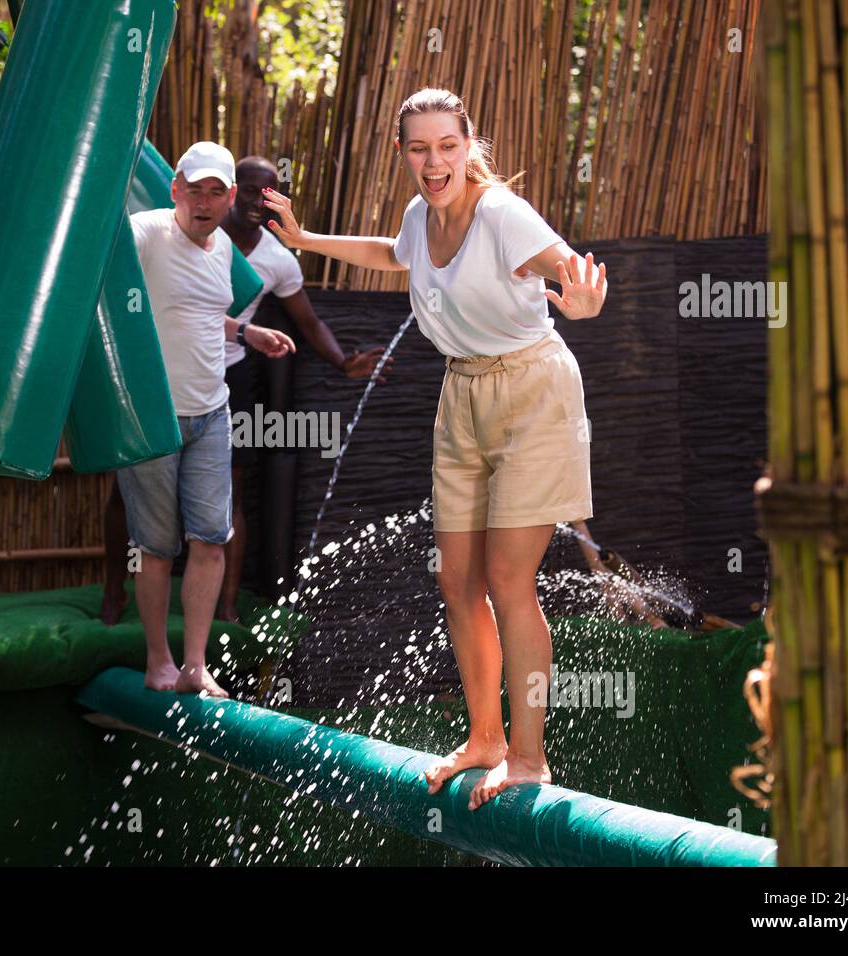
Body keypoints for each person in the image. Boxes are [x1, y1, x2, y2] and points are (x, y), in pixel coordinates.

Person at [263, 88, 608, 809]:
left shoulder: (502, 216)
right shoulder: (422, 216)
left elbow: (574, 278)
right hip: (462, 399)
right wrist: (305, 242)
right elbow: (394, 253)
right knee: (457, 581)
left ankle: (528, 756)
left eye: (447, 145)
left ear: (468, 145)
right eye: (418, 148)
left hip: (533, 395)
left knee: (510, 581)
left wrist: (585, 303)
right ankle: (484, 737)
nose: (433, 160)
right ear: (402, 153)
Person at [118, 142, 295, 697]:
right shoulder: (145, 232)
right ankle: (157, 661)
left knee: (212, 539)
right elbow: (92, 262)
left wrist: (245, 332)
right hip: (151, 416)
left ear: (230, 198)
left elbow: (195, 312)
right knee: (154, 546)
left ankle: (196, 665)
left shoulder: (222, 251)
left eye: (216, 191)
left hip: (211, 412)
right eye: (194, 189)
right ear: (175, 189)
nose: (204, 201)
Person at [212, 156, 389, 623]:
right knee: (141, 480)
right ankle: (116, 591)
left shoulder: (276, 259)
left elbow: (308, 322)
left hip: (228, 374)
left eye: (267, 194)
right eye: (247, 190)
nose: (255, 202)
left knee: (230, 489)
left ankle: (227, 605)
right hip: (171, 365)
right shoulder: (202, 233)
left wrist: (343, 362)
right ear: (232, 191)